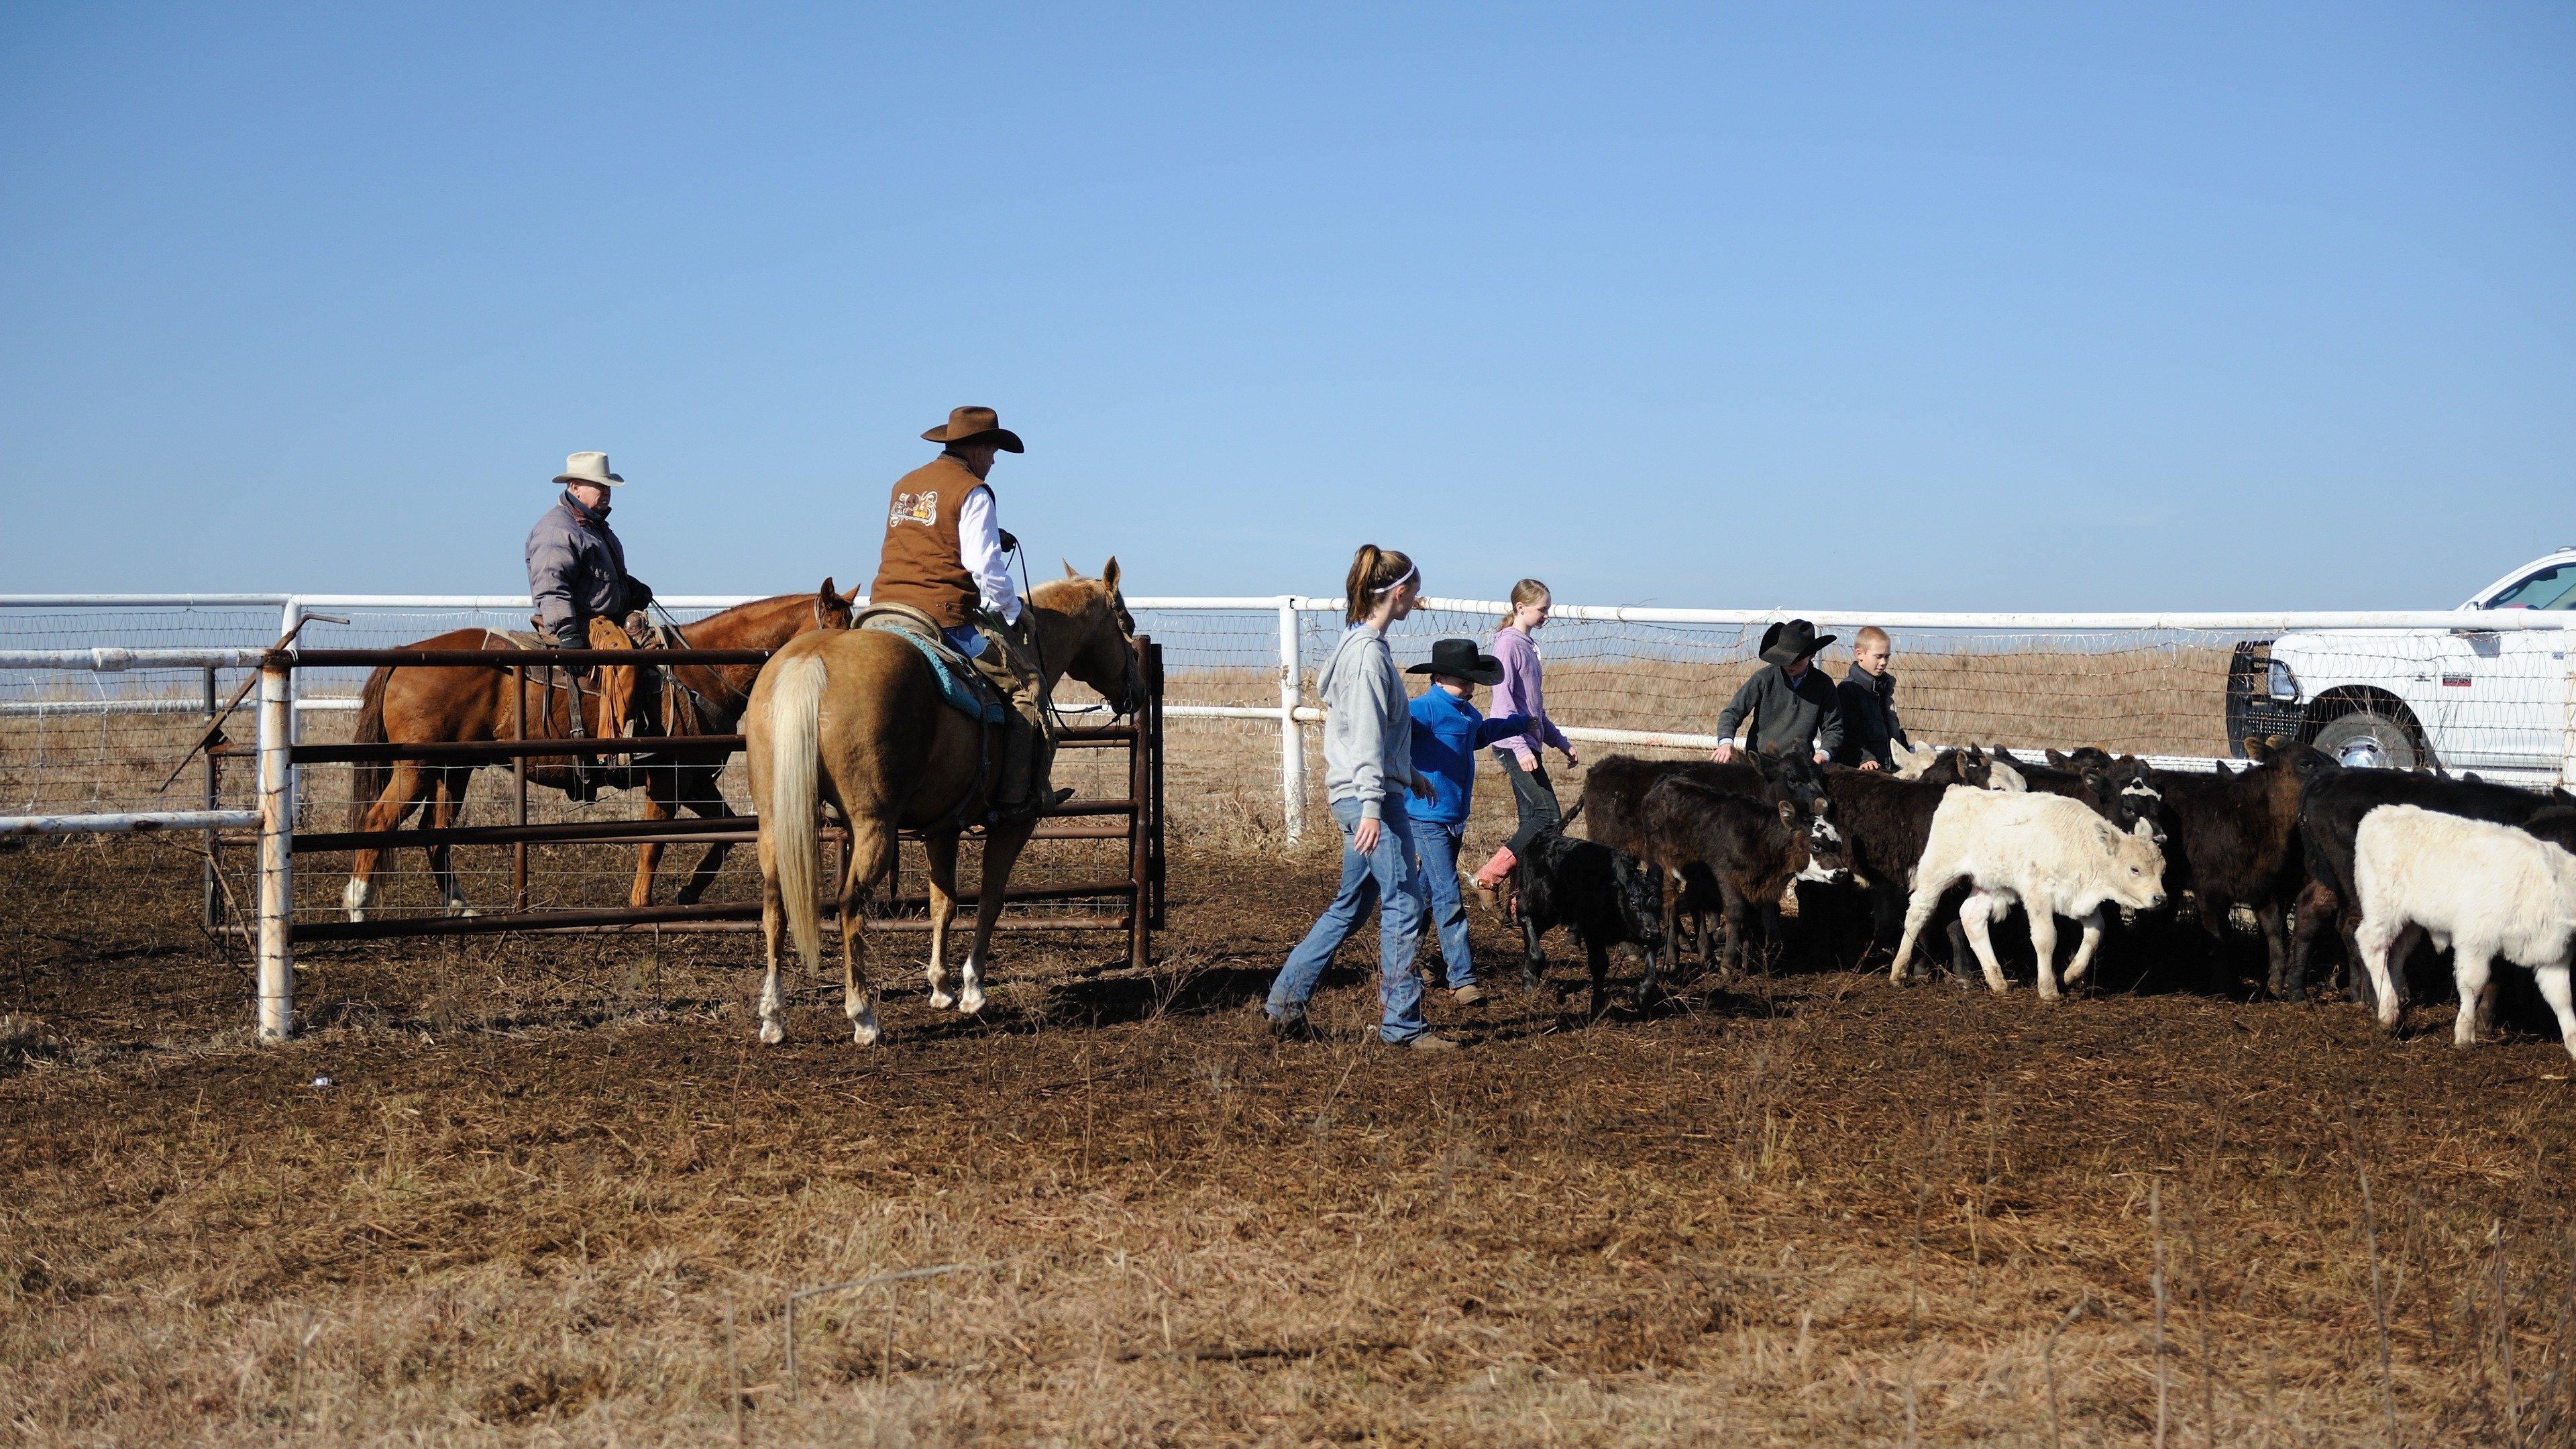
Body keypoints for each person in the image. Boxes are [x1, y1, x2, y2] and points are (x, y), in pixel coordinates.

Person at [1265, 545, 1456, 1051]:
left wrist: (1407, 773)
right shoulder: (1371, 656)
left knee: (1352, 905)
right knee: (1404, 902)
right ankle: (1402, 1025)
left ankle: (1285, 1003)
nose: (1417, 600)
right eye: (1415, 592)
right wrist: (1375, 804)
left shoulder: (1354, 646)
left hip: (1360, 792)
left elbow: (1359, 734)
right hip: (1368, 801)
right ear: (1398, 593)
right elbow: (1368, 736)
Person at [867, 406, 1064, 820]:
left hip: (882, 611)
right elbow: (984, 568)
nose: (994, 461)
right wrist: (1012, 611)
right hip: (943, 617)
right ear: (978, 448)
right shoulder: (973, 491)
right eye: (993, 451)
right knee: (1028, 687)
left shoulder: (905, 486)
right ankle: (1015, 801)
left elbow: (928, 539)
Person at [1404, 639, 1536, 1004]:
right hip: (1426, 816)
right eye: (1462, 680)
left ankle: (1405, 962)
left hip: (1454, 818)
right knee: (1448, 894)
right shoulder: (1423, 710)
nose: (1469, 686)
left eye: (1472, 679)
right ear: (1438, 677)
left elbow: (1481, 736)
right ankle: (1462, 979)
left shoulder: (1467, 713)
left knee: (1429, 892)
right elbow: (1391, 731)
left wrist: (1517, 724)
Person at [525, 451, 655, 799]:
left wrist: (630, 590)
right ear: (575, 487)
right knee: (624, 659)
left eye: (608, 485)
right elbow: (552, 585)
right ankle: (609, 751)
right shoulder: (557, 529)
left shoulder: (595, 527)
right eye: (599, 485)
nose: (606, 492)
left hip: (599, 618)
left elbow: (604, 580)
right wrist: (567, 633)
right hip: (581, 622)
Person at [1472, 579, 1580, 894]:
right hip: (1512, 746)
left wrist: (1561, 743)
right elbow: (1503, 703)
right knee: (1548, 815)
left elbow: (1534, 710)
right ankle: (1489, 878)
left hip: (1527, 745)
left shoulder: (1527, 645)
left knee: (1530, 821)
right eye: (1542, 609)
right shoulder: (1508, 645)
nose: (1547, 615)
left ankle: (1520, 897)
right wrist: (1520, 748)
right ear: (1521, 608)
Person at [1711, 619, 1844, 765]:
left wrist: (1823, 754)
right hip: (1761, 763)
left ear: (1812, 655)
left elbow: (1833, 727)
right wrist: (1725, 742)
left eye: (1796, 660)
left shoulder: (1823, 684)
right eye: (1785, 659)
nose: (1790, 665)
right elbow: (1732, 712)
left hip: (1800, 765)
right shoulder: (1764, 678)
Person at [1832, 626, 1907, 771]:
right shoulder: (1848, 690)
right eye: (1878, 656)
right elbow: (1847, 733)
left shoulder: (1884, 689)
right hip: (1863, 772)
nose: (1884, 662)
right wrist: (1865, 758)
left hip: (1887, 770)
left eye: (1887, 656)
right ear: (1859, 654)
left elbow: (1891, 730)